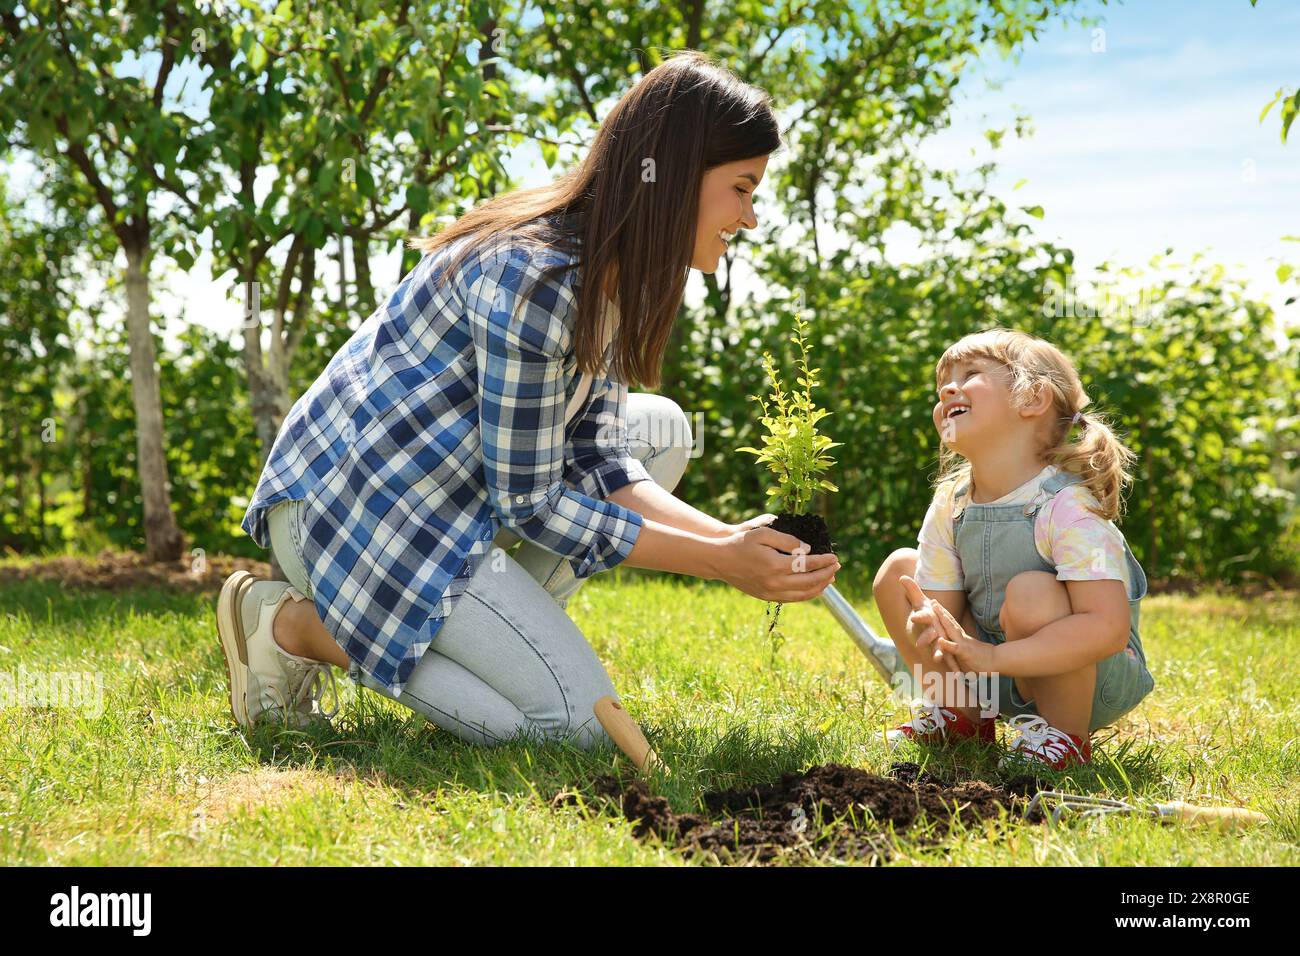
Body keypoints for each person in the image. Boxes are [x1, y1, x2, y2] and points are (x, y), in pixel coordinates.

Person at [216, 51, 841, 750]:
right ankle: (288, 626)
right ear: (677, 175)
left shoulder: (611, 275)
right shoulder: (539, 277)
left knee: (660, 430)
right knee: (565, 728)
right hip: (359, 513)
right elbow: (532, 502)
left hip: (453, 502)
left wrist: (726, 539)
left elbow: (599, 458)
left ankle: (492, 641)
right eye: (742, 189)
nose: (749, 218)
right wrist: (720, 562)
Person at [871, 328, 1154, 770]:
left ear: (1033, 399)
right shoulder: (953, 502)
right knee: (899, 575)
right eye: (943, 382)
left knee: (1031, 591)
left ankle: (1063, 739)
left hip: (1088, 674)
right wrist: (929, 625)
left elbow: (1107, 628)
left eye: (970, 374)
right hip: (993, 672)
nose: (948, 388)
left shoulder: (1067, 505)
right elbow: (943, 620)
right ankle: (963, 717)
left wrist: (992, 657)